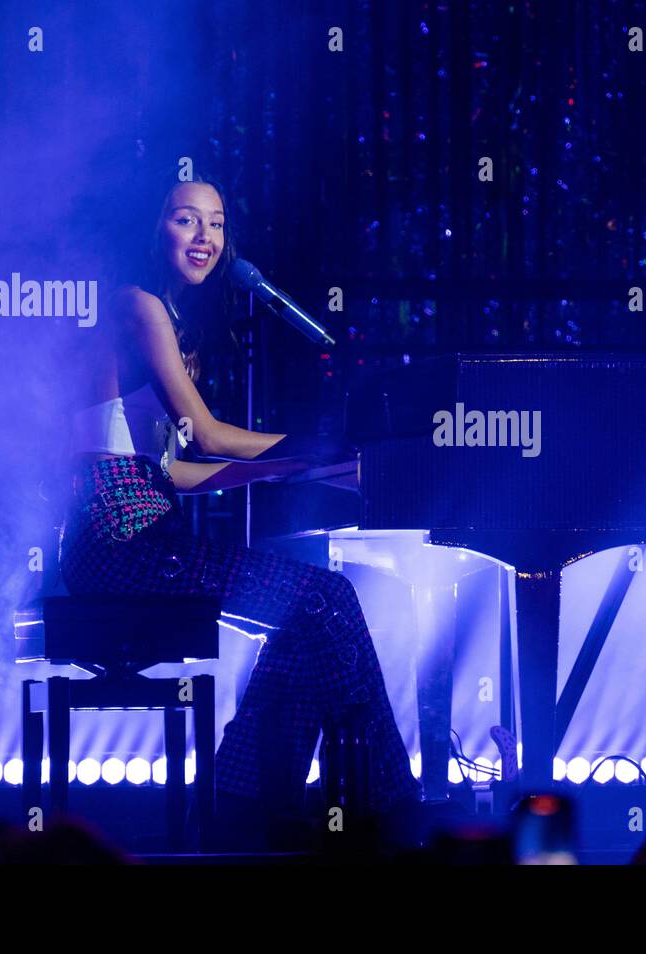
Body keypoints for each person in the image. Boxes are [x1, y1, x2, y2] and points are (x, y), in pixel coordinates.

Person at [57, 175, 423, 846]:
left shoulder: (168, 321)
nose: (206, 238)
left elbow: (180, 471)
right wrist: (319, 447)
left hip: (145, 529)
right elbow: (210, 434)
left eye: (218, 224)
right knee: (328, 599)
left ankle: (258, 804)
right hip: (115, 539)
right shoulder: (135, 305)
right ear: (154, 228)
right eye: (187, 221)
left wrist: (302, 467)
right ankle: (378, 804)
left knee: (312, 616)